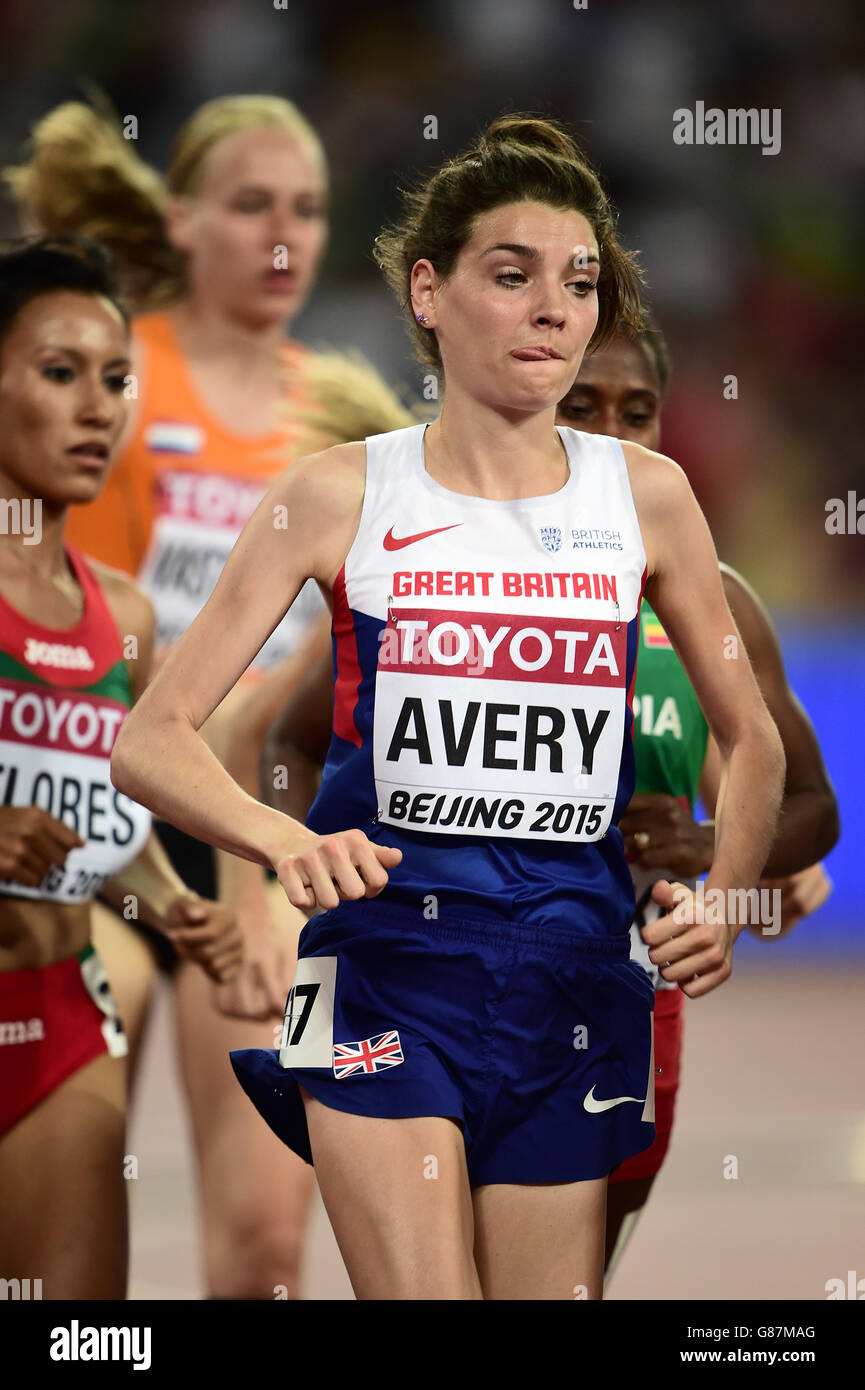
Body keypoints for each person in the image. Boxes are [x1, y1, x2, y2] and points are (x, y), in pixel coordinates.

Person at [111, 114, 786, 1300]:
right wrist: (285, 842)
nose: (553, 310)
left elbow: (755, 739)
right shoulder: (335, 494)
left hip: (574, 979)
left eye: (577, 282)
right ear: (428, 292)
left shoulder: (651, 499)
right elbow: (151, 736)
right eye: (511, 276)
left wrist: (724, 902)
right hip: (383, 968)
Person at [250, 320, 839, 1286]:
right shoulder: (437, 573)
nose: (612, 430)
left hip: (614, 983)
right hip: (416, 965)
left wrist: (714, 860)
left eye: (637, 412)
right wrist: (313, 852)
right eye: (584, 406)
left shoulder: (706, 597)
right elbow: (288, 738)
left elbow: (808, 805)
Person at [6, 95, 331, 1297]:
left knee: (262, 1248)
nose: (283, 238)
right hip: (99, 819)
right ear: (184, 222)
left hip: (248, 833)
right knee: (70, 1173)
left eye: (306, 211)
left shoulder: (343, 422)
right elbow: (61, 623)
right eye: (252, 207)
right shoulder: (112, 383)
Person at [0, 235, 241, 1299]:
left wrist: (170, 902)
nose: (100, 408)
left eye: (116, 379)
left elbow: (103, 821)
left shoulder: (126, 615)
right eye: (61, 375)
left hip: (59, 1012)